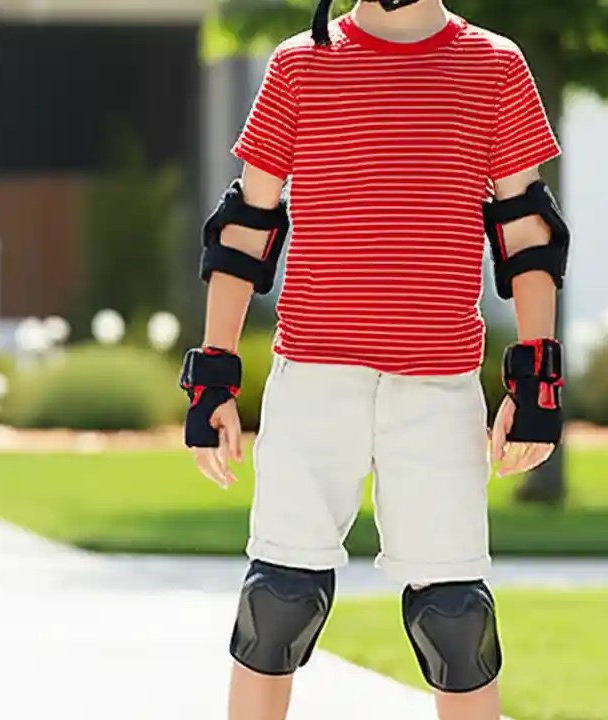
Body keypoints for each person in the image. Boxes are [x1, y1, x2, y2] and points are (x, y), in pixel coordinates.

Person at [178, 1, 570, 718]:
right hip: (314, 377)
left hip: (438, 383)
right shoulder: (299, 65)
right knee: (278, 603)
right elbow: (245, 227)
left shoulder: (495, 66)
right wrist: (214, 376)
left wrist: (536, 380)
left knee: (456, 619)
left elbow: (527, 231)